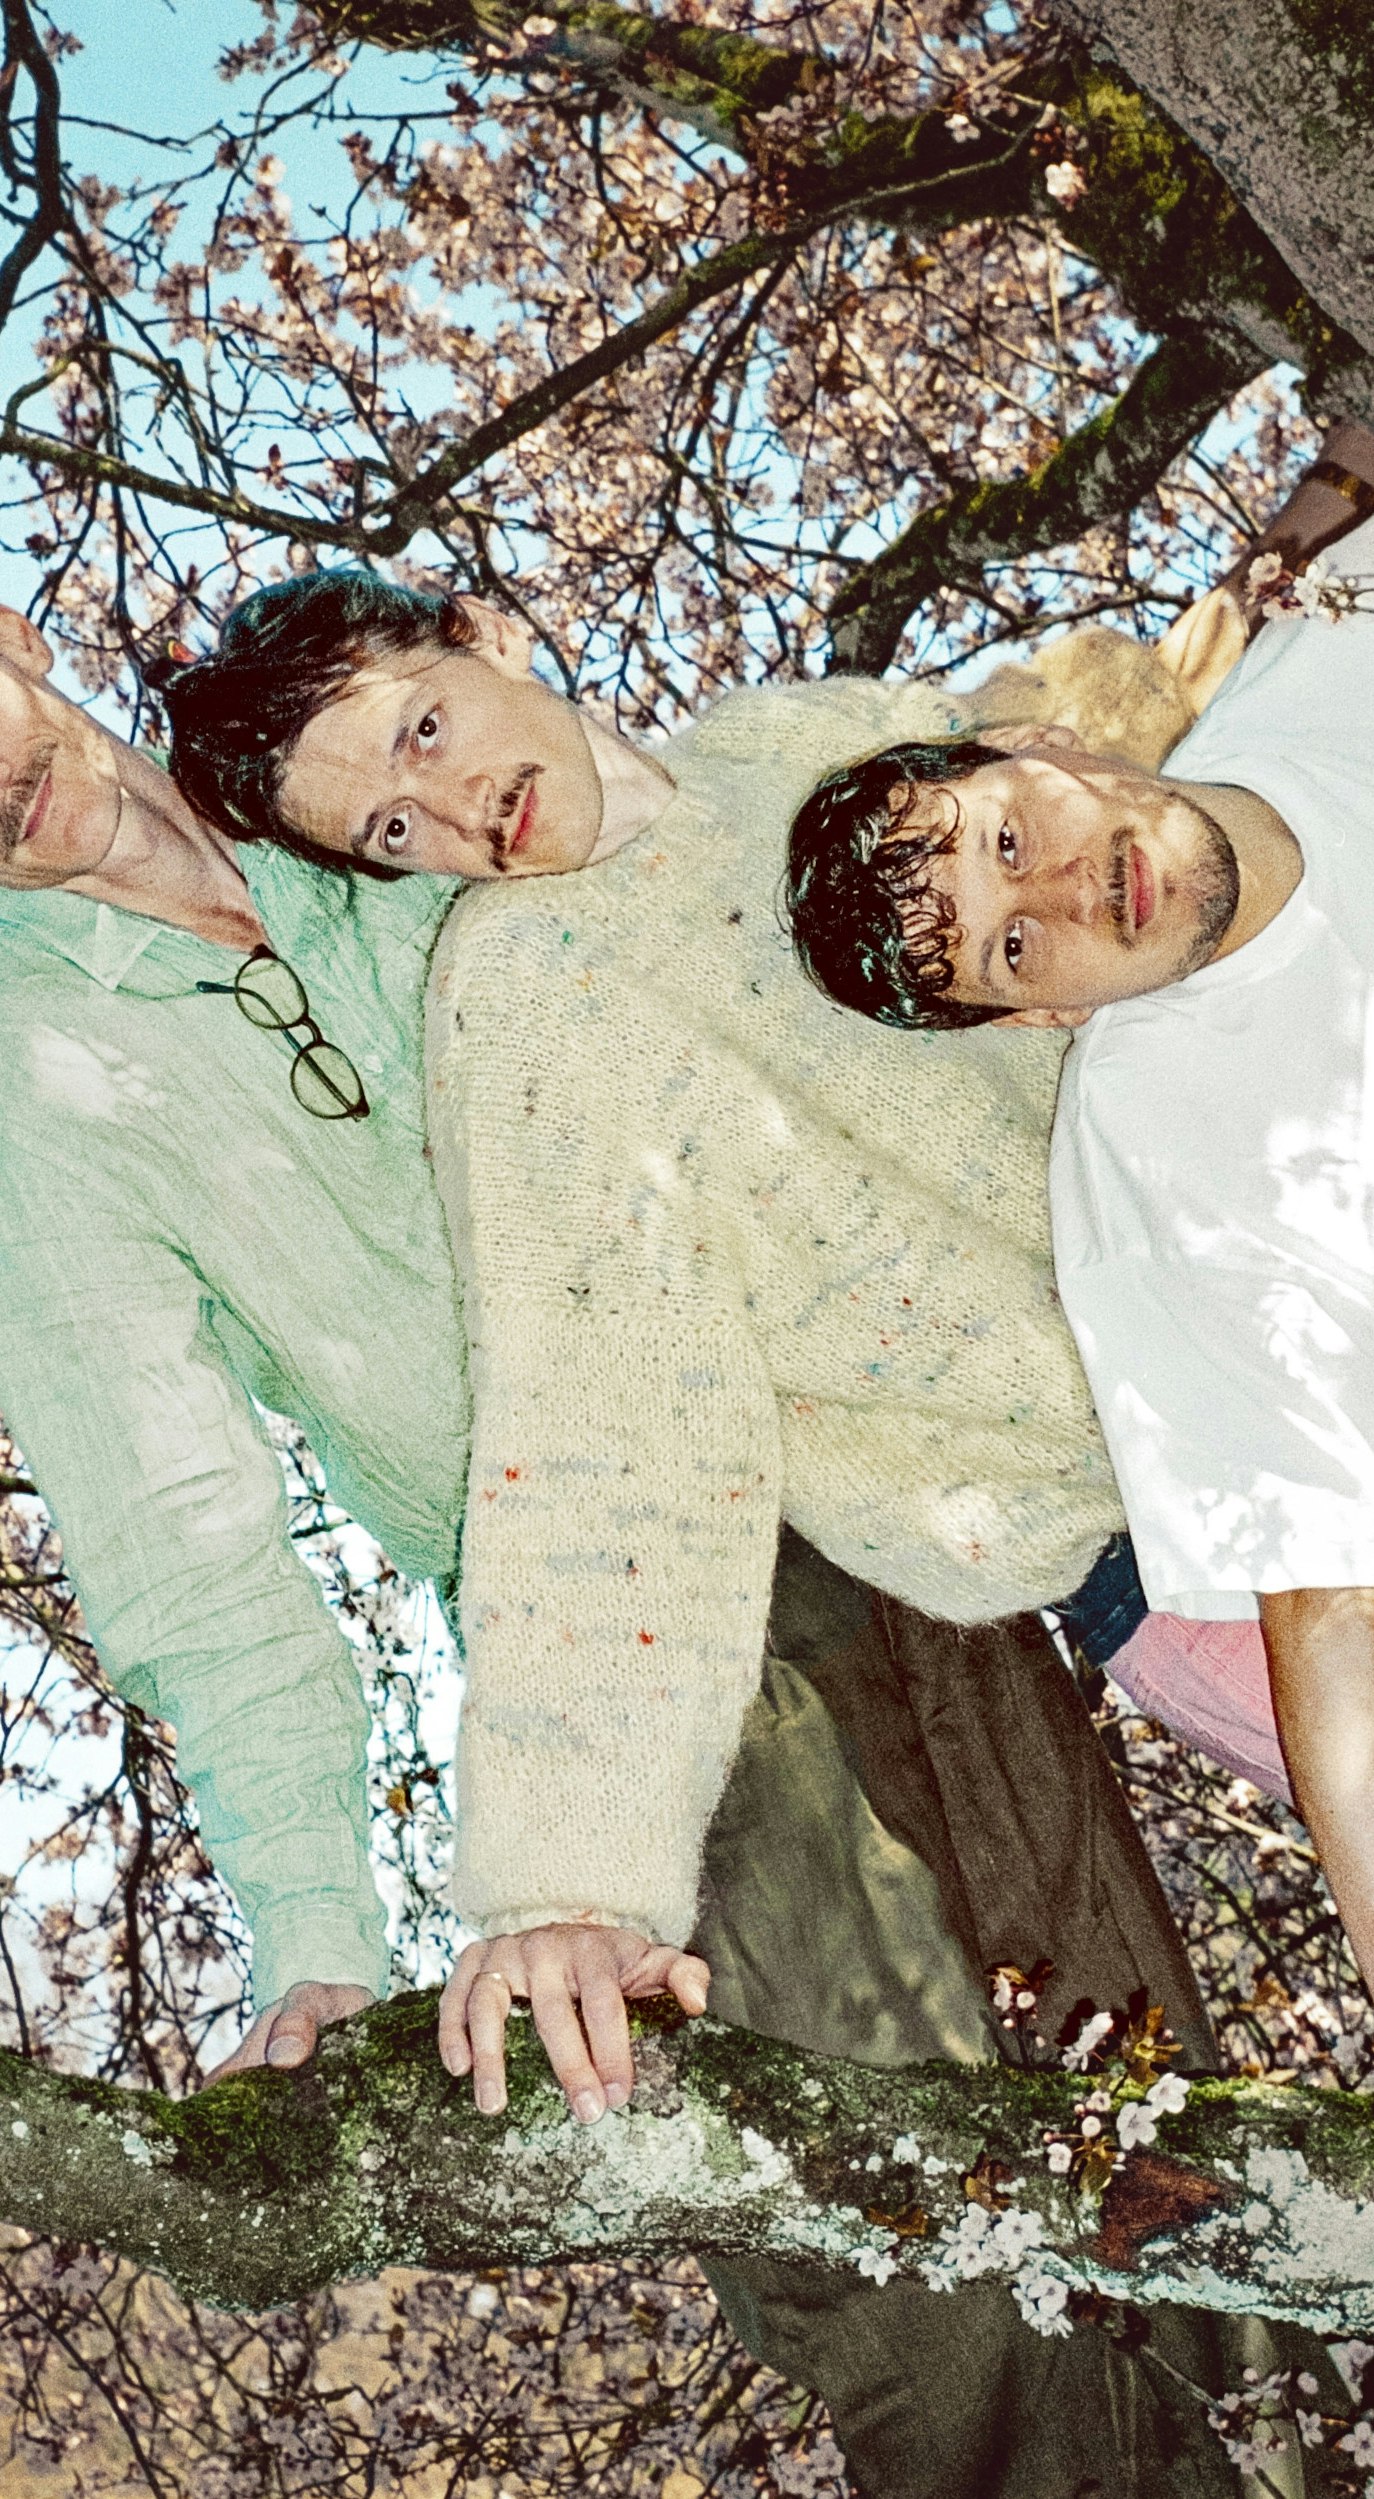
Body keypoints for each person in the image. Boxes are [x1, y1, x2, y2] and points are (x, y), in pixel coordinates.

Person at [783, 419, 1374, 2007]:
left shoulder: (1340, 645)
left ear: (1046, 748)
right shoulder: (1159, 1174)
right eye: (1011, 949)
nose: (1059, 893)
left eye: (1005, 839)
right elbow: (1326, 1609)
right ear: (1038, 1019)